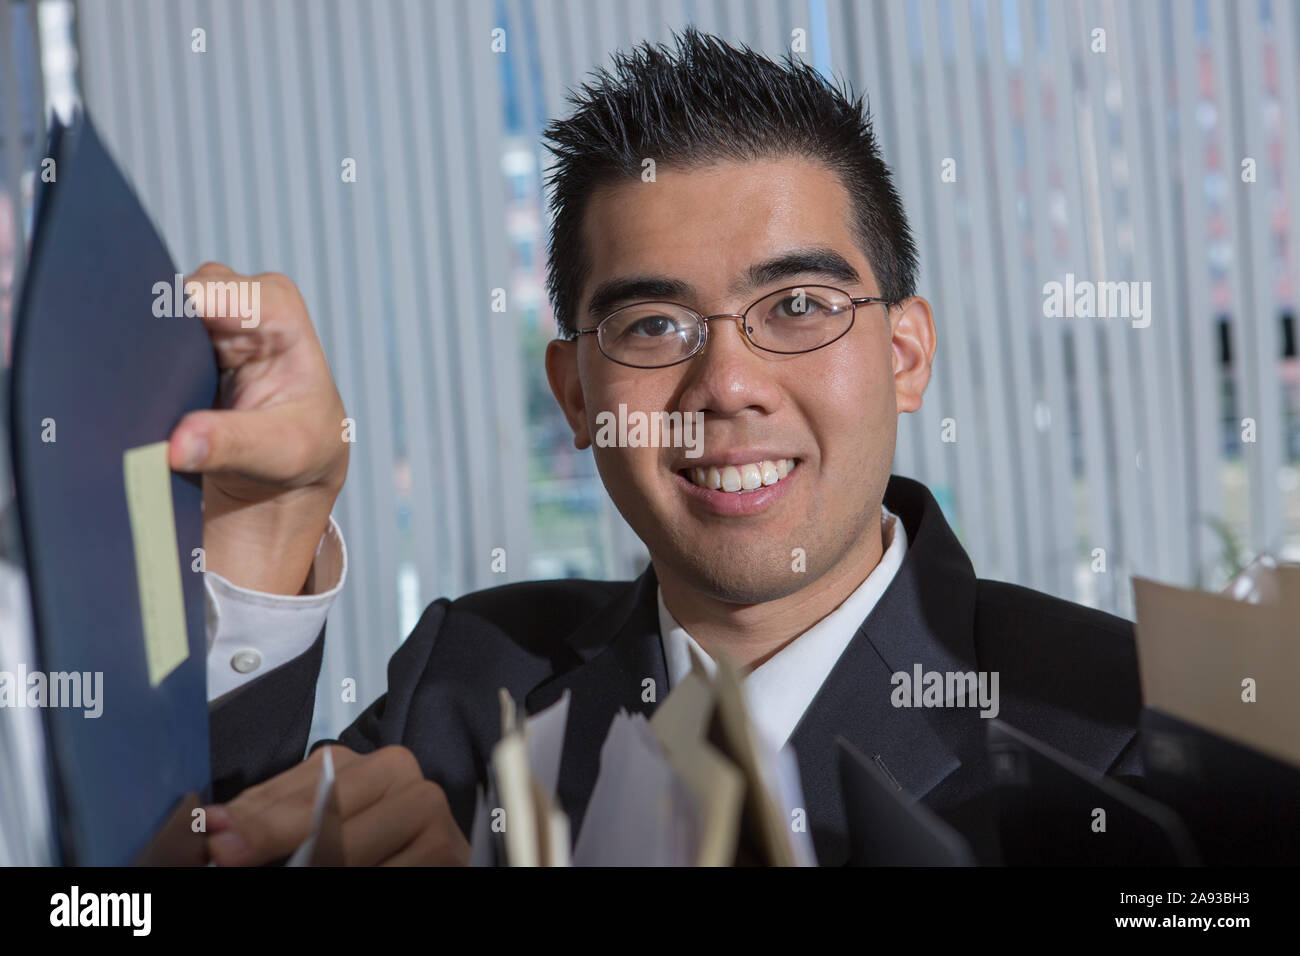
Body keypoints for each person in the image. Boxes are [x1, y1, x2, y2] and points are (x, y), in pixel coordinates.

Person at [175, 28, 1141, 867]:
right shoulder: (470, 679)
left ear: (904, 355)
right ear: (574, 395)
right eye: (650, 325)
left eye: (798, 306)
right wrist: (262, 533)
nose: (725, 385)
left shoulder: (1113, 728)